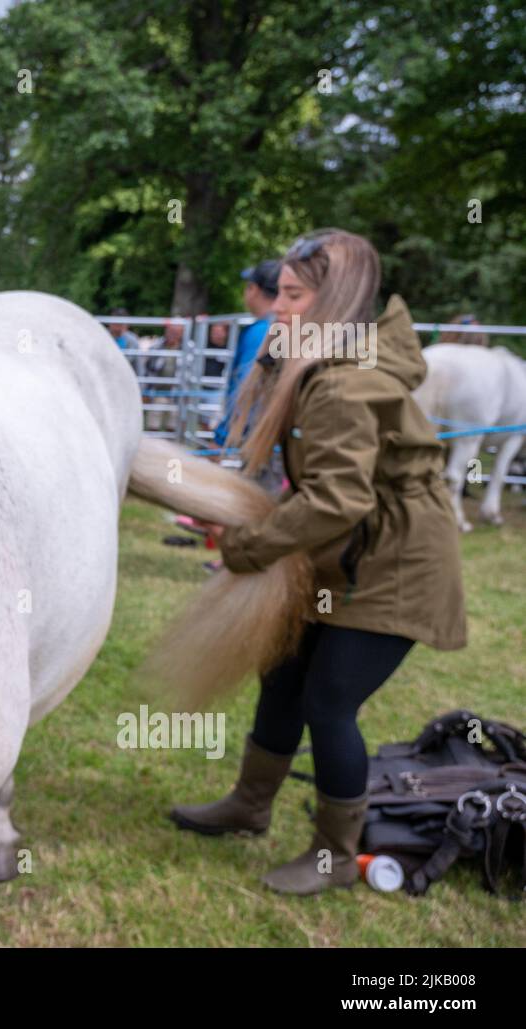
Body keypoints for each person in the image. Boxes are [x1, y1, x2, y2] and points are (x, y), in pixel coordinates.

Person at [170, 229, 466, 895]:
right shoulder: (320, 363)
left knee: (329, 702)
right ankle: (249, 805)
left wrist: (250, 547)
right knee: (283, 675)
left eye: (295, 295)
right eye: (279, 291)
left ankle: (334, 857)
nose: (277, 305)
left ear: (333, 302)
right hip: (347, 552)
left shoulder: (342, 384)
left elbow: (336, 499)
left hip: (394, 564)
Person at [214, 260, 279, 447]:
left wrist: (223, 436)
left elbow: (246, 387)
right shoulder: (276, 328)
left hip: (253, 438)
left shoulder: (261, 332)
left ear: (254, 289)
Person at [107, 307, 144, 377]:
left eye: (121, 324)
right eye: (115, 323)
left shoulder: (132, 341)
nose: (118, 327)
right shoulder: (103, 337)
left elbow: (138, 367)